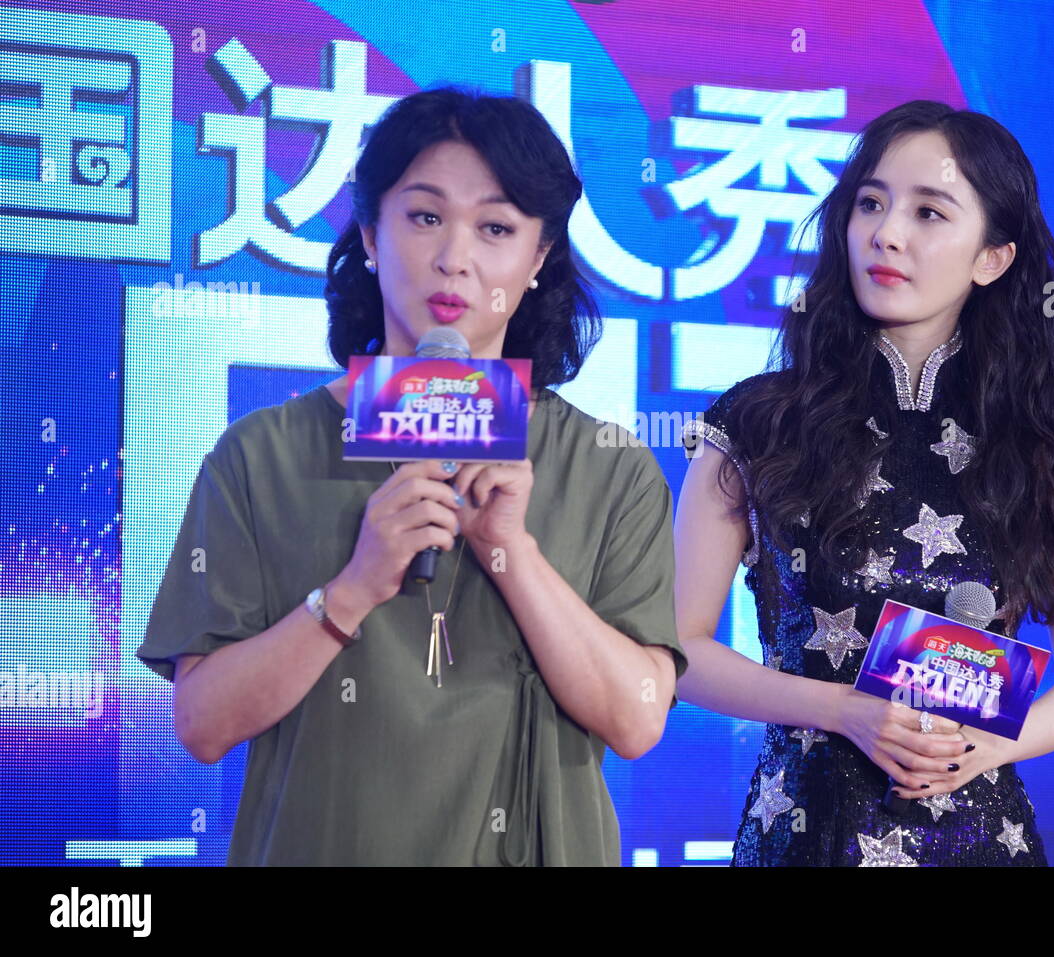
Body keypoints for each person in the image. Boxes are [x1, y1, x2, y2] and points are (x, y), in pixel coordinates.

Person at [136, 86, 686, 866]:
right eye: (424, 216)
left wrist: (513, 554)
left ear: (538, 259)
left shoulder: (612, 469)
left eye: (495, 227)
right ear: (369, 232)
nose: (453, 257)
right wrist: (352, 589)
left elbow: (636, 721)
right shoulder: (261, 455)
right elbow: (201, 724)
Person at [674, 100, 1054, 866]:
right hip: (805, 835)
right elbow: (677, 650)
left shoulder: (1040, 452)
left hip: (984, 838)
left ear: (992, 257)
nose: (887, 233)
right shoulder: (757, 424)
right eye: (872, 204)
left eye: (929, 212)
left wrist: (983, 746)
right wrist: (846, 710)